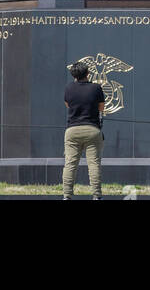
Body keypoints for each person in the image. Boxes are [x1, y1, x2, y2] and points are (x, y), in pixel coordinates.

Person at [63, 60, 105, 200]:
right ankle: (97, 196)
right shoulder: (96, 88)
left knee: (70, 164)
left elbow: (68, 105)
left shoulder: (69, 88)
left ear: (74, 75)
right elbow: (101, 108)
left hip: (73, 130)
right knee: (93, 164)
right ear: (88, 73)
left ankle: (67, 195)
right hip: (92, 129)